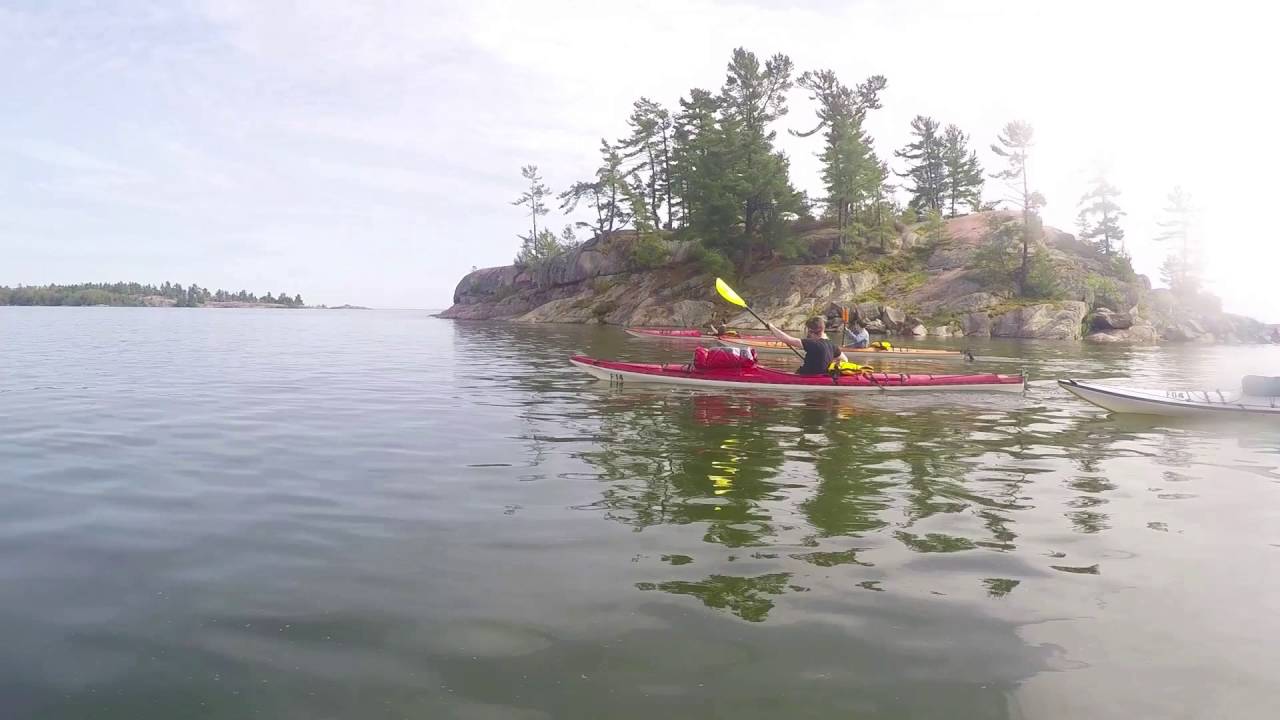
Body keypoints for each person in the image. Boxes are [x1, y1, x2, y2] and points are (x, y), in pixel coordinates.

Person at [765, 316, 848, 375]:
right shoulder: (833, 345)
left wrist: (772, 327)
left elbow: (786, 339)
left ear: (810, 331)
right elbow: (845, 360)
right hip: (822, 376)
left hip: (806, 376)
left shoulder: (811, 343)